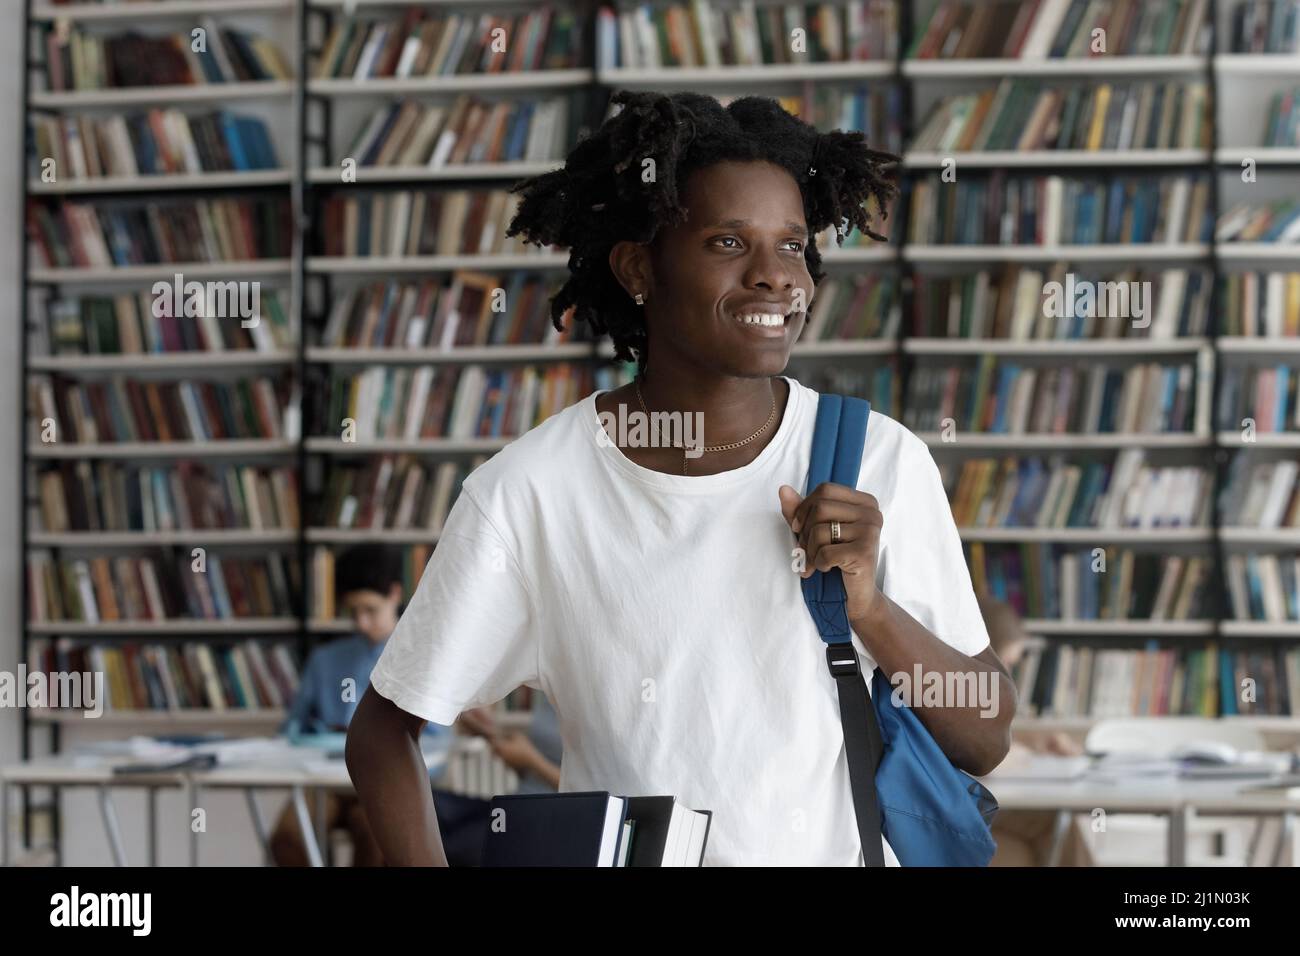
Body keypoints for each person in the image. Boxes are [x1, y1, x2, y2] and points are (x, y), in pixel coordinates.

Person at [346, 90, 1016, 866]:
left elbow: (987, 734)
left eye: (793, 245)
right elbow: (384, 728)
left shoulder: (878, 460)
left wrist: (869, 607)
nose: (775, 278)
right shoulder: (532, 493)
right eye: (729, 243)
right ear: (638, 267)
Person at [270, 544, 452, 866]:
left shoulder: (422, 658)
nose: (361, 622)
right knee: (289, 836)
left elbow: (437, 738)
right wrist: (315, 732)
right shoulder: (325, 660)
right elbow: (291, 729)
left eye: (370, 609)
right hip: (326, 783)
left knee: (376, 835)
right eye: (352, 612)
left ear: (395, 595)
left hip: (386, 780)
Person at [976, 589, 1095, 867]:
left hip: (973, 799)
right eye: (1005, 661)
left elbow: (987, 746)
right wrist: (1028, 755)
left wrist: (1033, 745)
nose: (1008, 673)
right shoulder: (956, 690)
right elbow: (984, 762)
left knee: (1055, 821)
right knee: (1054, 819)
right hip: (956, 805)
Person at [429, 692, 564, 867]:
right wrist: (490, 731)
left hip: (544, 825)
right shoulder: (550, 691)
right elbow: (527, 774)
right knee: (425, 804)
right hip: (513, 808)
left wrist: (532, 760)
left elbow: (594, 789)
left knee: (439, 841)